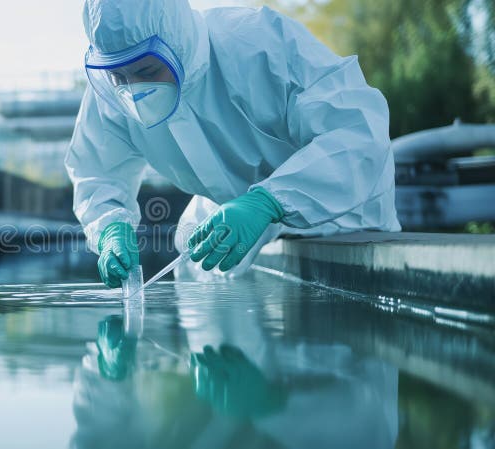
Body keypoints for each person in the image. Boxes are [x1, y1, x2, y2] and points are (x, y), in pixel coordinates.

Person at [65, 0, 401, 288]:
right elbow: (96, 170)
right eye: (118, 75)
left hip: (338, 216)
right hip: (233, 217)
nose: (134, 89)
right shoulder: (112, 94)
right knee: (192, 251)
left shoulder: (257, 44)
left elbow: (357, 132)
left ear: (175, 42)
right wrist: (109, 226)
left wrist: (270, 201)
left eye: (148, 70)